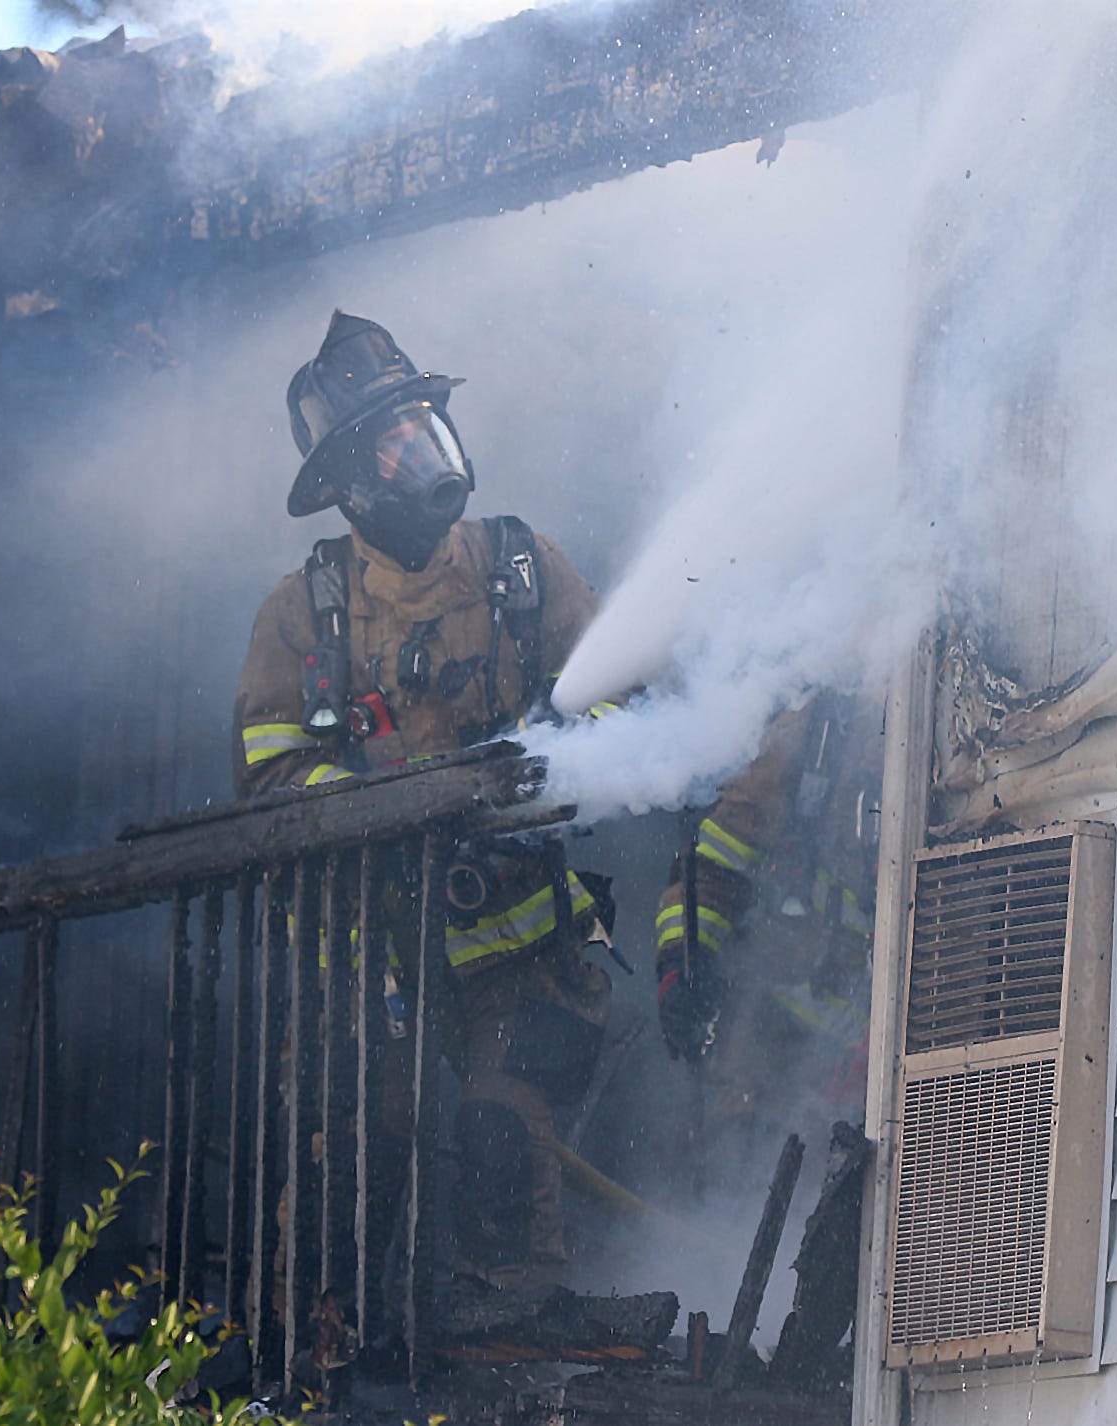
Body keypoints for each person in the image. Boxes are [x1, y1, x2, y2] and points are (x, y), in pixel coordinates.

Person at [232, 310, 610, 1287]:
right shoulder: (301, 612)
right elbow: (268, 772)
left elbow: (622, 698)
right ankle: (316, 1347)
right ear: (351, 481)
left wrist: (555, 764)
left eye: (425, 425)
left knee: (500, 1125)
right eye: (395, 438)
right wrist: (383, 806)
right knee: (352, 1147)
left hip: (521, 943)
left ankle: (512, 1337)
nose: (422, 449)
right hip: (368, 954)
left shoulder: (524, 569)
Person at [654, 692, 883, 1130]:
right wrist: (684, 963)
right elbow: (714, 870)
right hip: (767, 1048)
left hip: (888, 1065)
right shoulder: (816, 734)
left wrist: (881, 1050)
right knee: (740, 1184)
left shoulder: (955, 733)